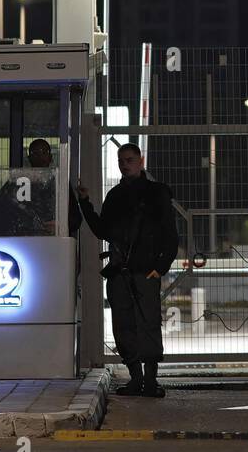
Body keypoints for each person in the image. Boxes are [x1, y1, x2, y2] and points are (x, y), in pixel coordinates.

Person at [76, 142, 178, 398]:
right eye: (122, 160)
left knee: (148, 324)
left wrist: (160, 267)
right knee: (123, 326)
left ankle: (150, 381)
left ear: (141, 161)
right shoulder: (115, 196)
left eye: (130, 160)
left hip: (145, 272)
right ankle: (137, 379)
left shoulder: (156, 193)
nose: (125, 164)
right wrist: (85, 203)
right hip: (120, 271)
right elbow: (102, 230)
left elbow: (170, 234)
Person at [27, 138, 83, 236]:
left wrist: (59, 225)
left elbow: (75, 219)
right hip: (26, 241)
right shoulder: (20, 182)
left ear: (50, 157)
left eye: (44, 152)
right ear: (29, 158)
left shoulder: (60, 183)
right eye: (35, 153)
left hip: (55, 242)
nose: (40, 157)